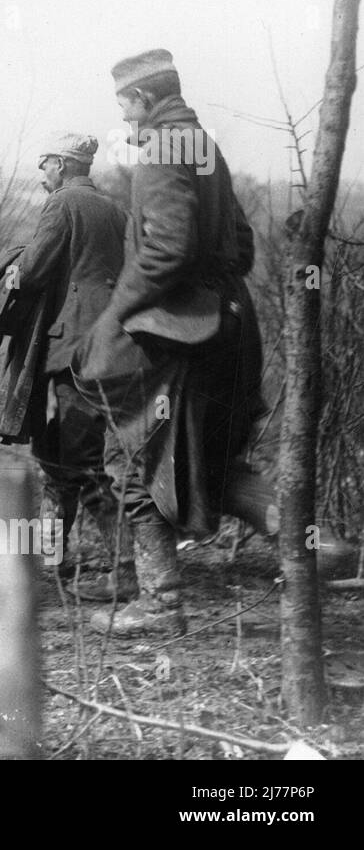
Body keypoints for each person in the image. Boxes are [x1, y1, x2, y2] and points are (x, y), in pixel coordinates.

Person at [74, 49, 265, 636]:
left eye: (126, 107)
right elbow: (242, 244)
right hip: (230, 322)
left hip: (177, 332)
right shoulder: (204, 145)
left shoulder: (161, 151)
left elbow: (167, 250)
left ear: (146, 99)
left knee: (129, 456)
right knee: (210, 459)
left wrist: (117, 312)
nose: (125, 122)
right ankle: (317, 540)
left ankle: (161, 605)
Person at [8, 134, 132, 600]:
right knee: (60, 460)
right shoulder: (114, 209)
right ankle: (53, 565)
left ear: (61, 165)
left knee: (78, 463)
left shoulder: (62, 204)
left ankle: (125, 570)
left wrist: (8, 275)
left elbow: (35, 268)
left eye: (44, 166)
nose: (42, 175)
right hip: (108, 344)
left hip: (68, 352)